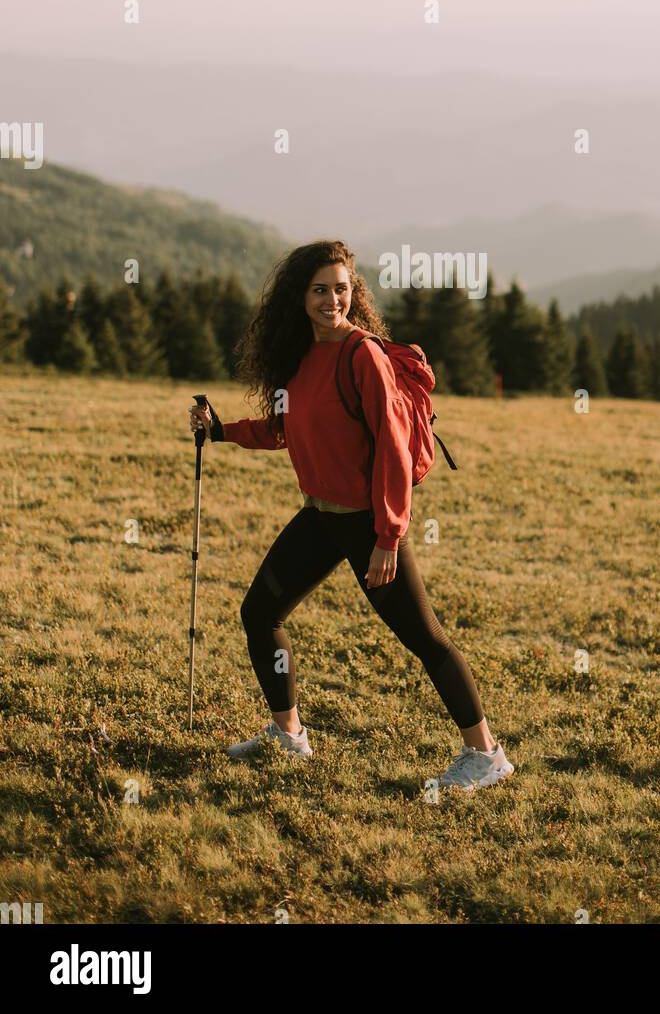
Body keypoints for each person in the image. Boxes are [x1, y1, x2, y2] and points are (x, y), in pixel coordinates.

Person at [187, 239, 514, 794]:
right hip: (319, 517)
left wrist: (388, 536)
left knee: (425, 638)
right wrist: (221, 430)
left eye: (341, 289)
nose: (331, 300)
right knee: (260, 612)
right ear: (300, 297)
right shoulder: (300, 359)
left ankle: (486, 756)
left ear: (352, 292)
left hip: (366, 524)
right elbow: (284, 429)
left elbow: (390, 447)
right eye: (319, 290)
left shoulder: (362, 355)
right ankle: (288, 735)